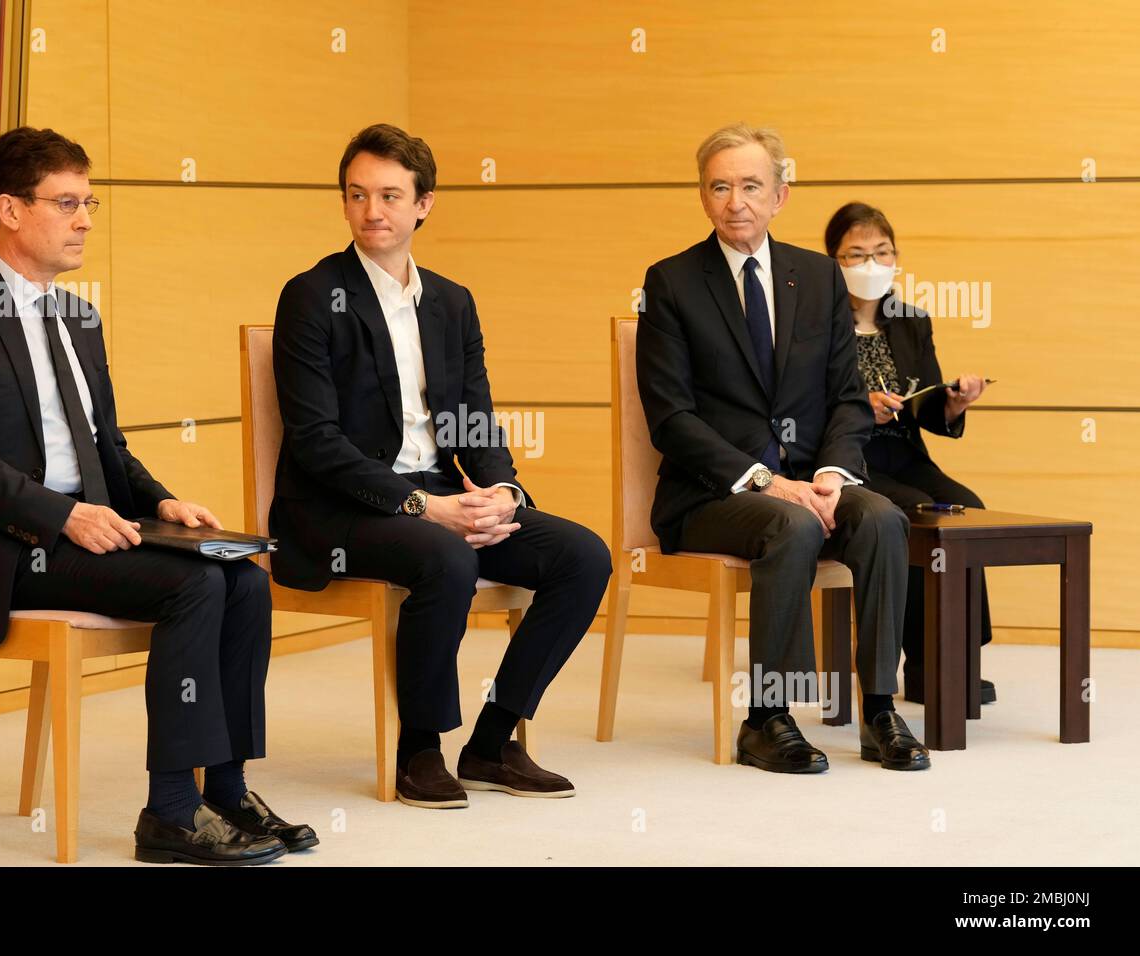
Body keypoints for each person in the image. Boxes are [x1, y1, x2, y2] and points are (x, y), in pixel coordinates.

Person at [0, 126, 315, 865]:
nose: (86, 219)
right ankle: (170, 813)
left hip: (91, 530)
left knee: (243, 580)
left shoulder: (78, 318)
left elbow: (108, 448)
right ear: (10, 209)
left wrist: (162, 504)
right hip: (5, 548)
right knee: (195, 587)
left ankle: (225, 789)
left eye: (88, 201)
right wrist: (63, 515)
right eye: (67, 203)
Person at [270, 123, 612, 808]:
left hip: (436, 498)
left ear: (424, 204)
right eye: (358, 194)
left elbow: (475, 421)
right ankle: (419, 747)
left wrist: (504, 492)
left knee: (584, 556)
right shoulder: (313, 295)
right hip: (341, 507)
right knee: (446, 557)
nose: (373, 210)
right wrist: (425, 508)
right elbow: (317, 441)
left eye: (391, 195)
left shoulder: (452, 302)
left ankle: (492, 743)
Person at [637, 123, 930, 773]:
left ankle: (880, 707)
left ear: (780, 195)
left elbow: (849, 398)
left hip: (808, 481)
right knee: (790, 521)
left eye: (750, 185)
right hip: (712, 495)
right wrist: (765, 480)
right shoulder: (672, 282)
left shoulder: (819, 277)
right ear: (703, 195)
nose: (735, 201)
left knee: (882, 516)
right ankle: (768, 717)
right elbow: (672, 417)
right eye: (720, 186)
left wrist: (830, 473)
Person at [824, 201, 994, 704]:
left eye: (882, 252)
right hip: (848, 457)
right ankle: (920, 662)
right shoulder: (816, 321)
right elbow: (802, 404)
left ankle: (959, 653)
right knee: (916, 517)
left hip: (906, 454)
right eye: (855, 255)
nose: (871, 264)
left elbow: (924, 407)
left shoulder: (910, 321)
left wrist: (954, 401)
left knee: (968, 510)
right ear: (831, 261)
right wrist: (861, 407)